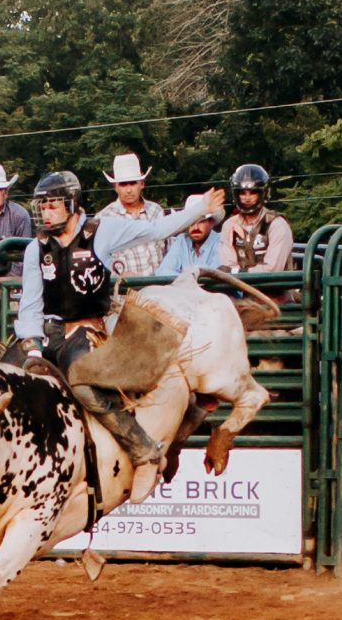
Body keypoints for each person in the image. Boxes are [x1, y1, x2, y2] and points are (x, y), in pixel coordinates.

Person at [12, 170, 226, 464]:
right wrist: (32, 345)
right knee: (5, 377)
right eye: (43, 207)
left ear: (72, 204)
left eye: (52, 205)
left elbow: (156, 230)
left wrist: (200, 209)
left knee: (84, 388)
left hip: (88, 329)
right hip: (49, 332)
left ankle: (142, 448)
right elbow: (31, 302)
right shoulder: (35, 249)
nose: (45, 214)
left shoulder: (102, 230)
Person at [99, 153, 168, 278]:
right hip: (123, 293)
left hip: (158, 292)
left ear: (142, 184)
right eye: (123, 184)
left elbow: (169, 251)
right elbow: (97, 261)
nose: (129, 189)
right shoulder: (104, 218)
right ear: (115, 187)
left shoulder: (156, 211)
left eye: (132, 183)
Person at [217, 166, 295, 272]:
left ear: (262, 193)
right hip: (238, 286)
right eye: (242, 192)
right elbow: (228, 266)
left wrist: (241, 272)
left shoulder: (277, 224)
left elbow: (273, 269)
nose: (247, 198)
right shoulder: (229, 225)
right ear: (236, 194)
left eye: (253, 192)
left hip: (276, 287)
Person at [156, 197, 227, 275]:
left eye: (201, 222)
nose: (195, 228)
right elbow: (162, 271)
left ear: (211, 223)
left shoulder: (221, 241)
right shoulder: (182, 240)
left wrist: (183, 279)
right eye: (191, 222)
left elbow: (215, 274)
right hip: (184, 286)